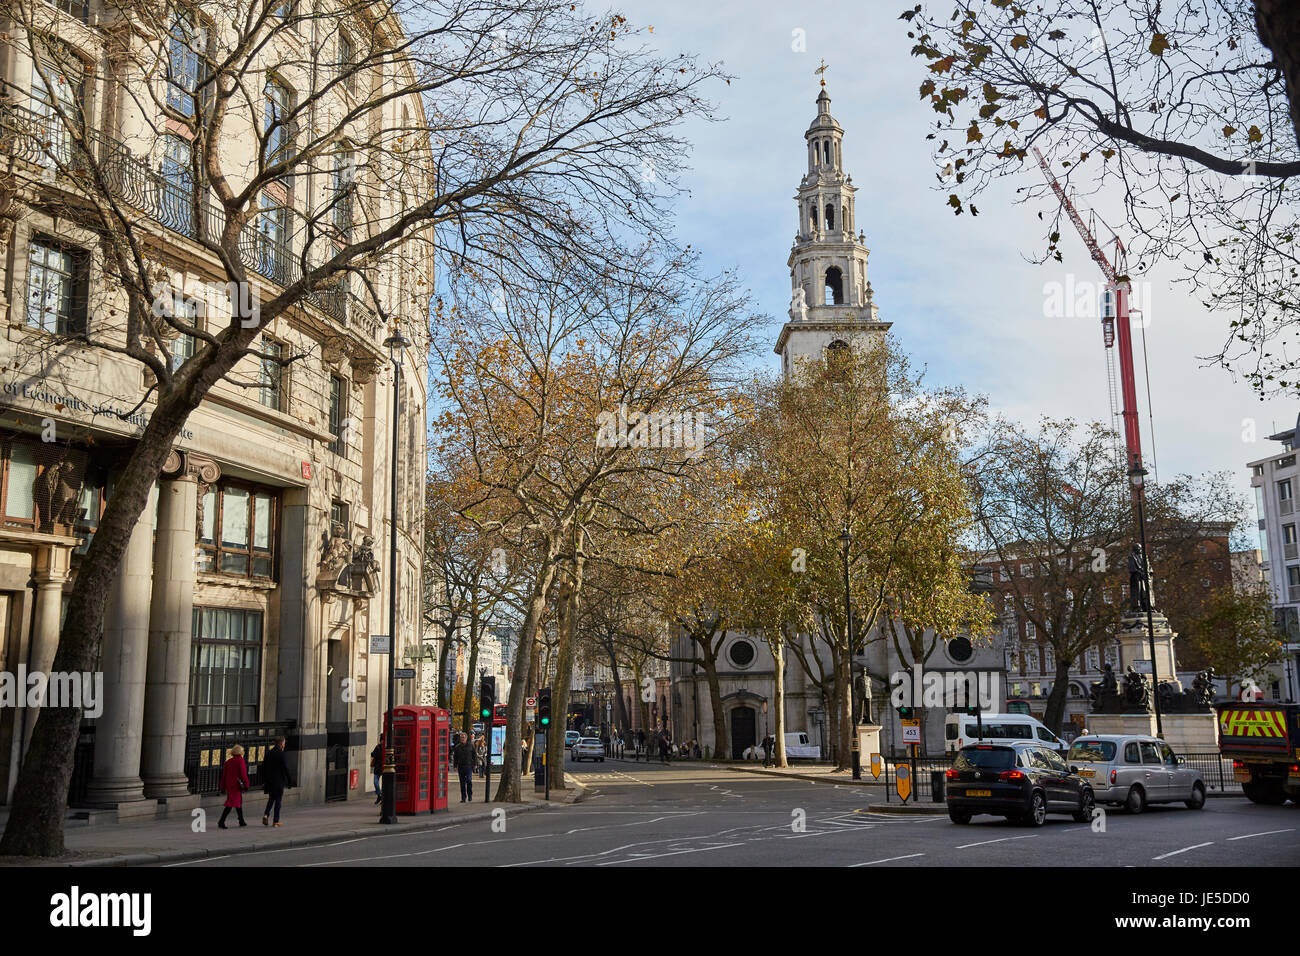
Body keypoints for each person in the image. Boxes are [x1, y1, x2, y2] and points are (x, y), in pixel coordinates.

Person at [261, 736, 293, 827]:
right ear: (281, 743)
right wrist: (290, 781)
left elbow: (263, 767)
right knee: (278, 801)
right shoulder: (281, 754)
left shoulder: (268, 753)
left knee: (271, 798)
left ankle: (266, 814)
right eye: (284, 742)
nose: (284, 744)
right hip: (279, 781)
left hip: (270, 781)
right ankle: (276, 821)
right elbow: (285, 768)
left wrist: (265, 780)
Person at [217, 744, 249, 828]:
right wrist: (246, 784)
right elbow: (243, 774)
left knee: (238, 802)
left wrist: (222, 787)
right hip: (236, 785)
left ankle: (241, 820)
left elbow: (224, 775)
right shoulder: (240, 760)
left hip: (229, 784)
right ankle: (221, 821)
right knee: (230, 803)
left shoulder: (228, 762)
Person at [452, 732, 476, 802]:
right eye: (461, 737)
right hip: (460, 766)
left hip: (468, 766)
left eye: (463, 737)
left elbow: (474, 756)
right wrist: (455, 766)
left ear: (466, 738)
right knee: (462, 783)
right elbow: (455, 757)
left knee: (469, 780)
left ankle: (470, 795)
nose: (462, 739)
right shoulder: (457, 747)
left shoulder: (471, 746)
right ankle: (463, 798)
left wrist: (475, 764)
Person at [370, 738, 384, 805]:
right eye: (381, 740)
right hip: (378, 768)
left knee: (385, 784)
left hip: (385, 768)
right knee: (375, 782)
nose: (382, 742)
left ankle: (383, 798)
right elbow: (372, 754)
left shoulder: (387, 748)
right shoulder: (377, 747)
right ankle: (379, 795)